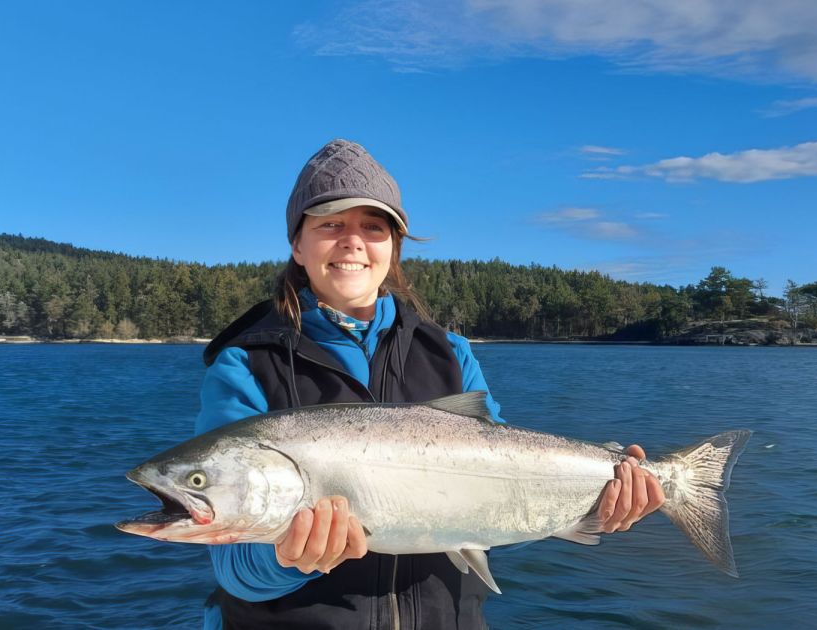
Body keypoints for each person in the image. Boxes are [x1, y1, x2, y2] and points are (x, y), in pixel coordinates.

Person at [195, 138, 665, 629]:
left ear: (393, 247)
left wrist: (589, 509)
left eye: (372, 227)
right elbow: (236, 572)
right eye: (330, 224)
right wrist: (285, 558)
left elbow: (496, 506)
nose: (352, 241)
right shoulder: (245, 363)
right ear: (298, 243)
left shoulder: (451, 353)